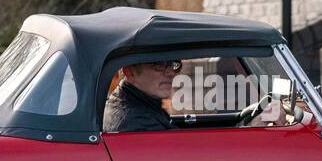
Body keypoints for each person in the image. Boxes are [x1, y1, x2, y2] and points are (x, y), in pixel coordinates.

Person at [103, 59, 283, 133]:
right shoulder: (136, 122)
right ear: (130, 71)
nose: (171, 73)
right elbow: (186, 155)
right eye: (158, 65)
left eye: (173, 64)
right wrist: (252, 128)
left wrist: (242, 122)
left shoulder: (138, 106)